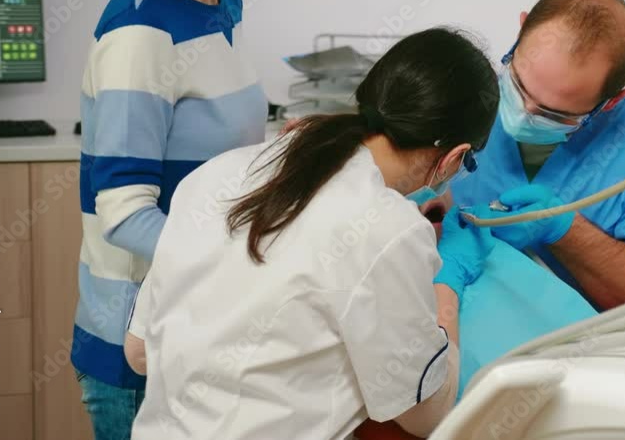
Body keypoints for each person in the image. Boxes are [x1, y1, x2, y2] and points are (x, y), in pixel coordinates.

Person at [124, 28, 500, 440]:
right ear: (453, 158)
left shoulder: (217, 173)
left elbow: (139, 352)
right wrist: (447, 289)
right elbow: (425, 415)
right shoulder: (390, 229)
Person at [73, 0, 307, 437]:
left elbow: (206, 150)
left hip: (202, 324)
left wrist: (282, 148)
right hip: (140, 341)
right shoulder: (141, 32)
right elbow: (126, 215)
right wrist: (245, 261)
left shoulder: (222, 2)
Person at [454, 0, 625, 311]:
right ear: (522, 28)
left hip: (592, 350)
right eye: (517, 83)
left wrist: (565, 230)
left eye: (553, 114)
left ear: (611, 101)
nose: (524, 112)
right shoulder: (461, 98)